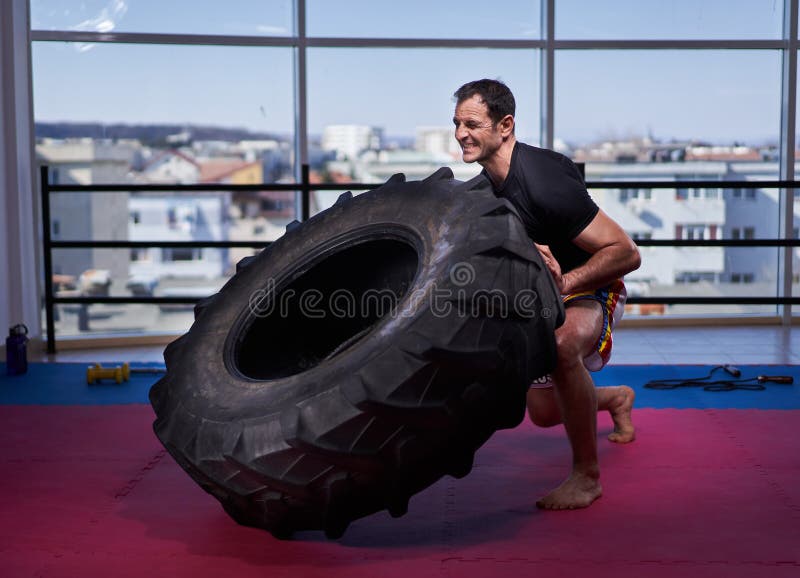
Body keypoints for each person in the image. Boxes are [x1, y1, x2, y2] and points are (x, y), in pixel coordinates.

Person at [452, 79, 641, 510]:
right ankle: (615, 398)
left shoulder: (542, 179)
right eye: (457, 123)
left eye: (472, 123)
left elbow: (626, 253)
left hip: (592, 286)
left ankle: (586, 478)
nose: (461, 132)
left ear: (506, 125)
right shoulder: (483, 192)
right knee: (543, 414)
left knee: (559, 349)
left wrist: (566, 284)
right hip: (543, 296)